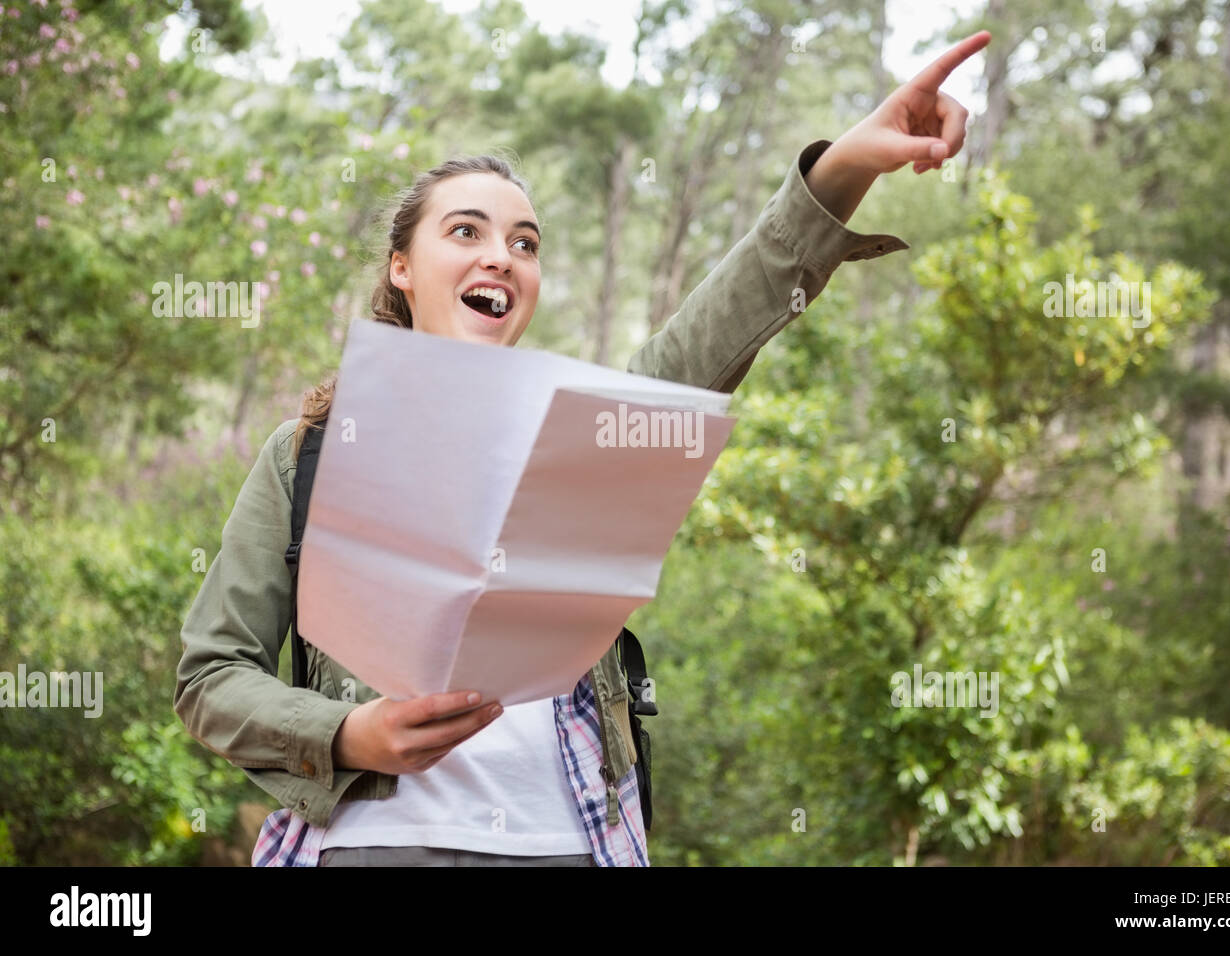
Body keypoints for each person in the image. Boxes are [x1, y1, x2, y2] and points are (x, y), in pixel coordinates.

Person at [174, 32, 991, 867]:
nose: (503, 255)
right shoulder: (306, 456)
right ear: (401, 268)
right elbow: (211, 677)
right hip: (374, 846)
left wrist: (847, 165)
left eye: (525, 243)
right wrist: (349, 734)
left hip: (568, 846)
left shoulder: (581, 431)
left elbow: (716, 328)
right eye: (466, 231)